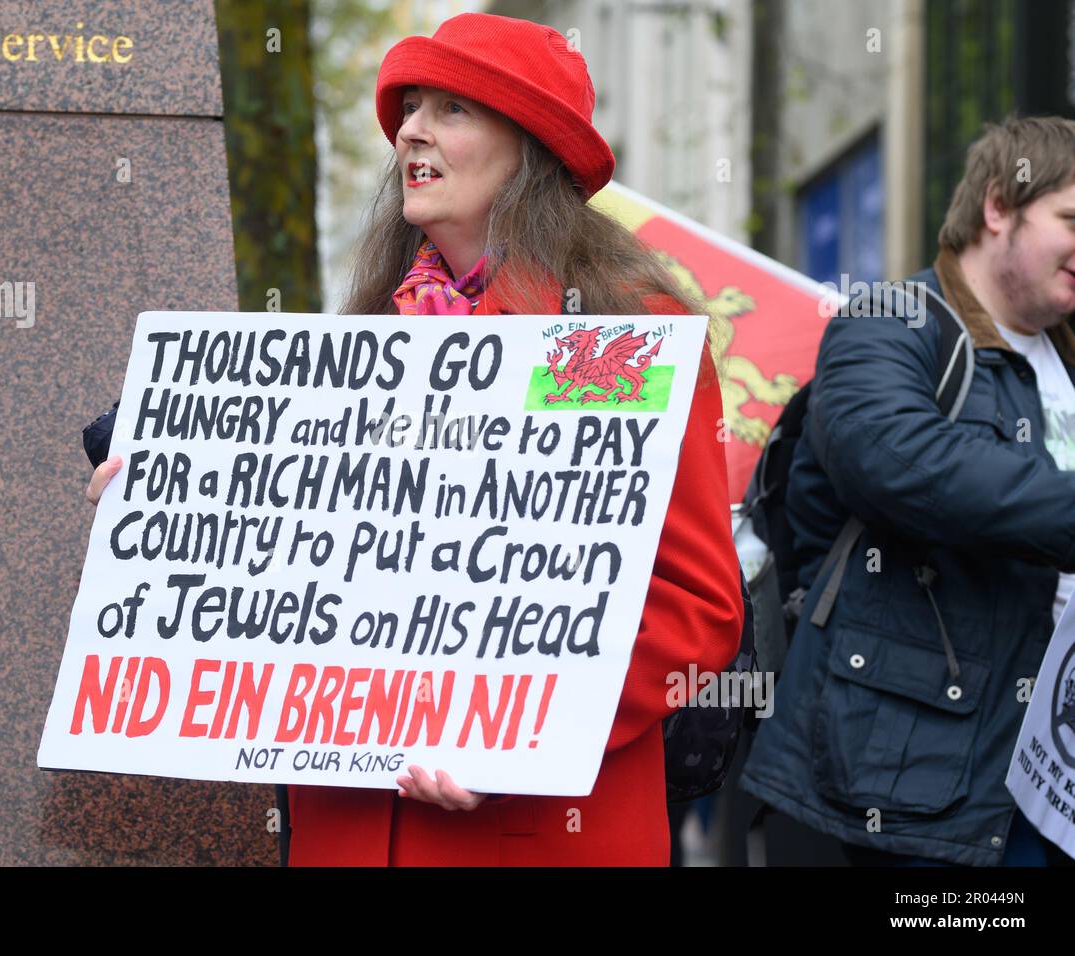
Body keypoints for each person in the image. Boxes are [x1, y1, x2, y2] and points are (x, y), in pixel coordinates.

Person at [84, 12, 744, 866]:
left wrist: (510, 734)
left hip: (529, 834)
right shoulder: (356, 342)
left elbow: (695, 606)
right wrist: (160, 516)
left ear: (532, 146)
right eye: (411, 109)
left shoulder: (611, 341)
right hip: (350, 831)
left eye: (453, 110)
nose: (412, 132)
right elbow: (290, 572)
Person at [740, 115, 1075, 866]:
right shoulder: (891, 322)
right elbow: (903, 462)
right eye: (1071, 220)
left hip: (1053, 765)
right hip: (921, 775)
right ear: (999, 206)